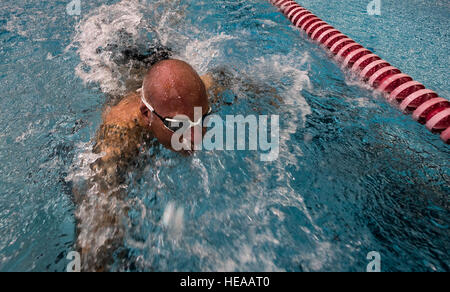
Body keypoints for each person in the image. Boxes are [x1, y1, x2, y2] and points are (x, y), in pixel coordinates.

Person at [74, 59, 216, 271]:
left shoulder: (196, 95)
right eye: (179, 125)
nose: (196, 137)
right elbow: (96, 225)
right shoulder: (118, 137)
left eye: (203, 118)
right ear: (146, 113)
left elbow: (229, 78)